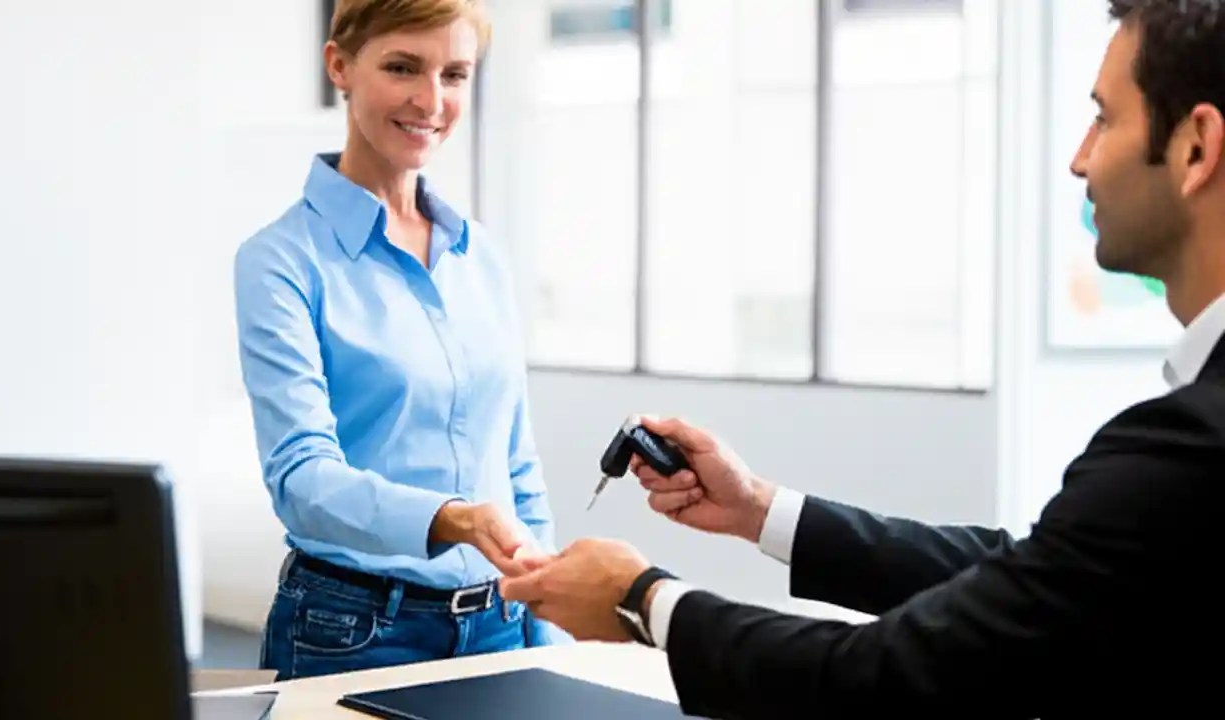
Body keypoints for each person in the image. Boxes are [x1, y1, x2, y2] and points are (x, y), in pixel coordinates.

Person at [501, 1, 1225, 717]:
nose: (1080, 157)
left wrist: (642, 600)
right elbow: (1033, 579)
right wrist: (758, 509)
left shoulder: (1188, 442)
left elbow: (893, 671)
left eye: (1104, 118)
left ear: (1196, 148)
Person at [233, 0, 566, 681]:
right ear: (340, 67)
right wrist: (455, 519)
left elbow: (515, 463)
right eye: (403, 68)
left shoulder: (481, 258)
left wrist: (550, 628)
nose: (431, 101)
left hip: (501, 623)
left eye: (455, 74)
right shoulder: (281, 261)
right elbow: (301, 480)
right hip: (352, 633)